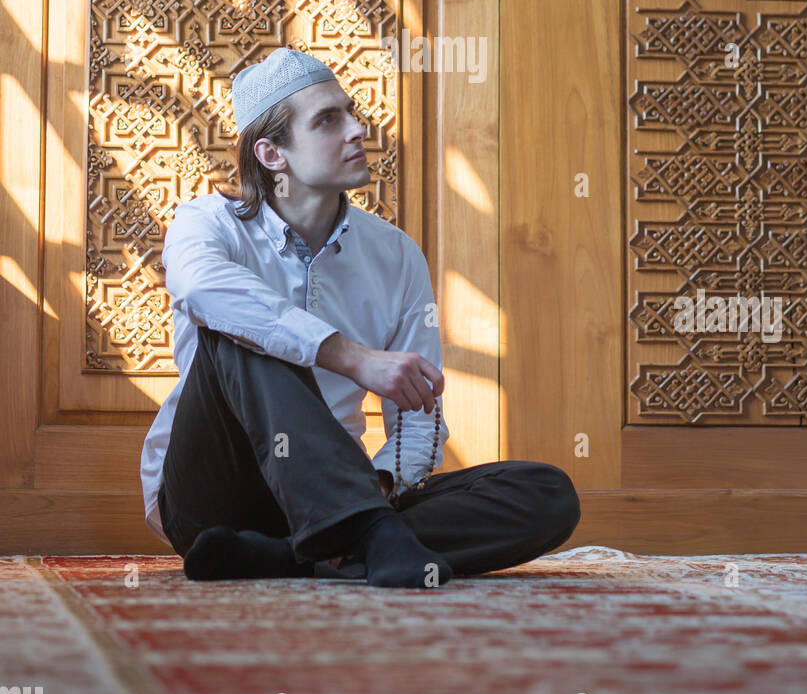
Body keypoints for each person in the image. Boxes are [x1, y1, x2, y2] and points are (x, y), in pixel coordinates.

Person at [140, 47, 580, 588]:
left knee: (545, 491)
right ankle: (370, 538)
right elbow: (202, 286)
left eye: (350, 112)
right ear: (272, 154)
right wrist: (351, 358)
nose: (358, 129)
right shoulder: (208, 223)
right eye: (328, 120)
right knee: (241, 329)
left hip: (338, 494)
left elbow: (417, 411)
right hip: (217, 495)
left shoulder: (394, 254)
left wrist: (385, 482)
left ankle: (296, 554)